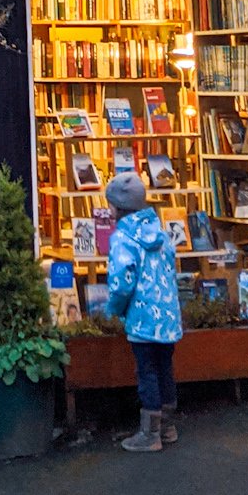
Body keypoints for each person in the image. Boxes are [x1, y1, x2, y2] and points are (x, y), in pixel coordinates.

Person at [104, 170, 184, 452]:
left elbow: (121, 283)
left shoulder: (122, 240)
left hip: (142, 319)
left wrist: (112, 310)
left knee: (146, 371)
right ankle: (168, 426)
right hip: (167, 316)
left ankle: (150, 435)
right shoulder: (160, 233)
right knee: (165, 368)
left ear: (117, 208)